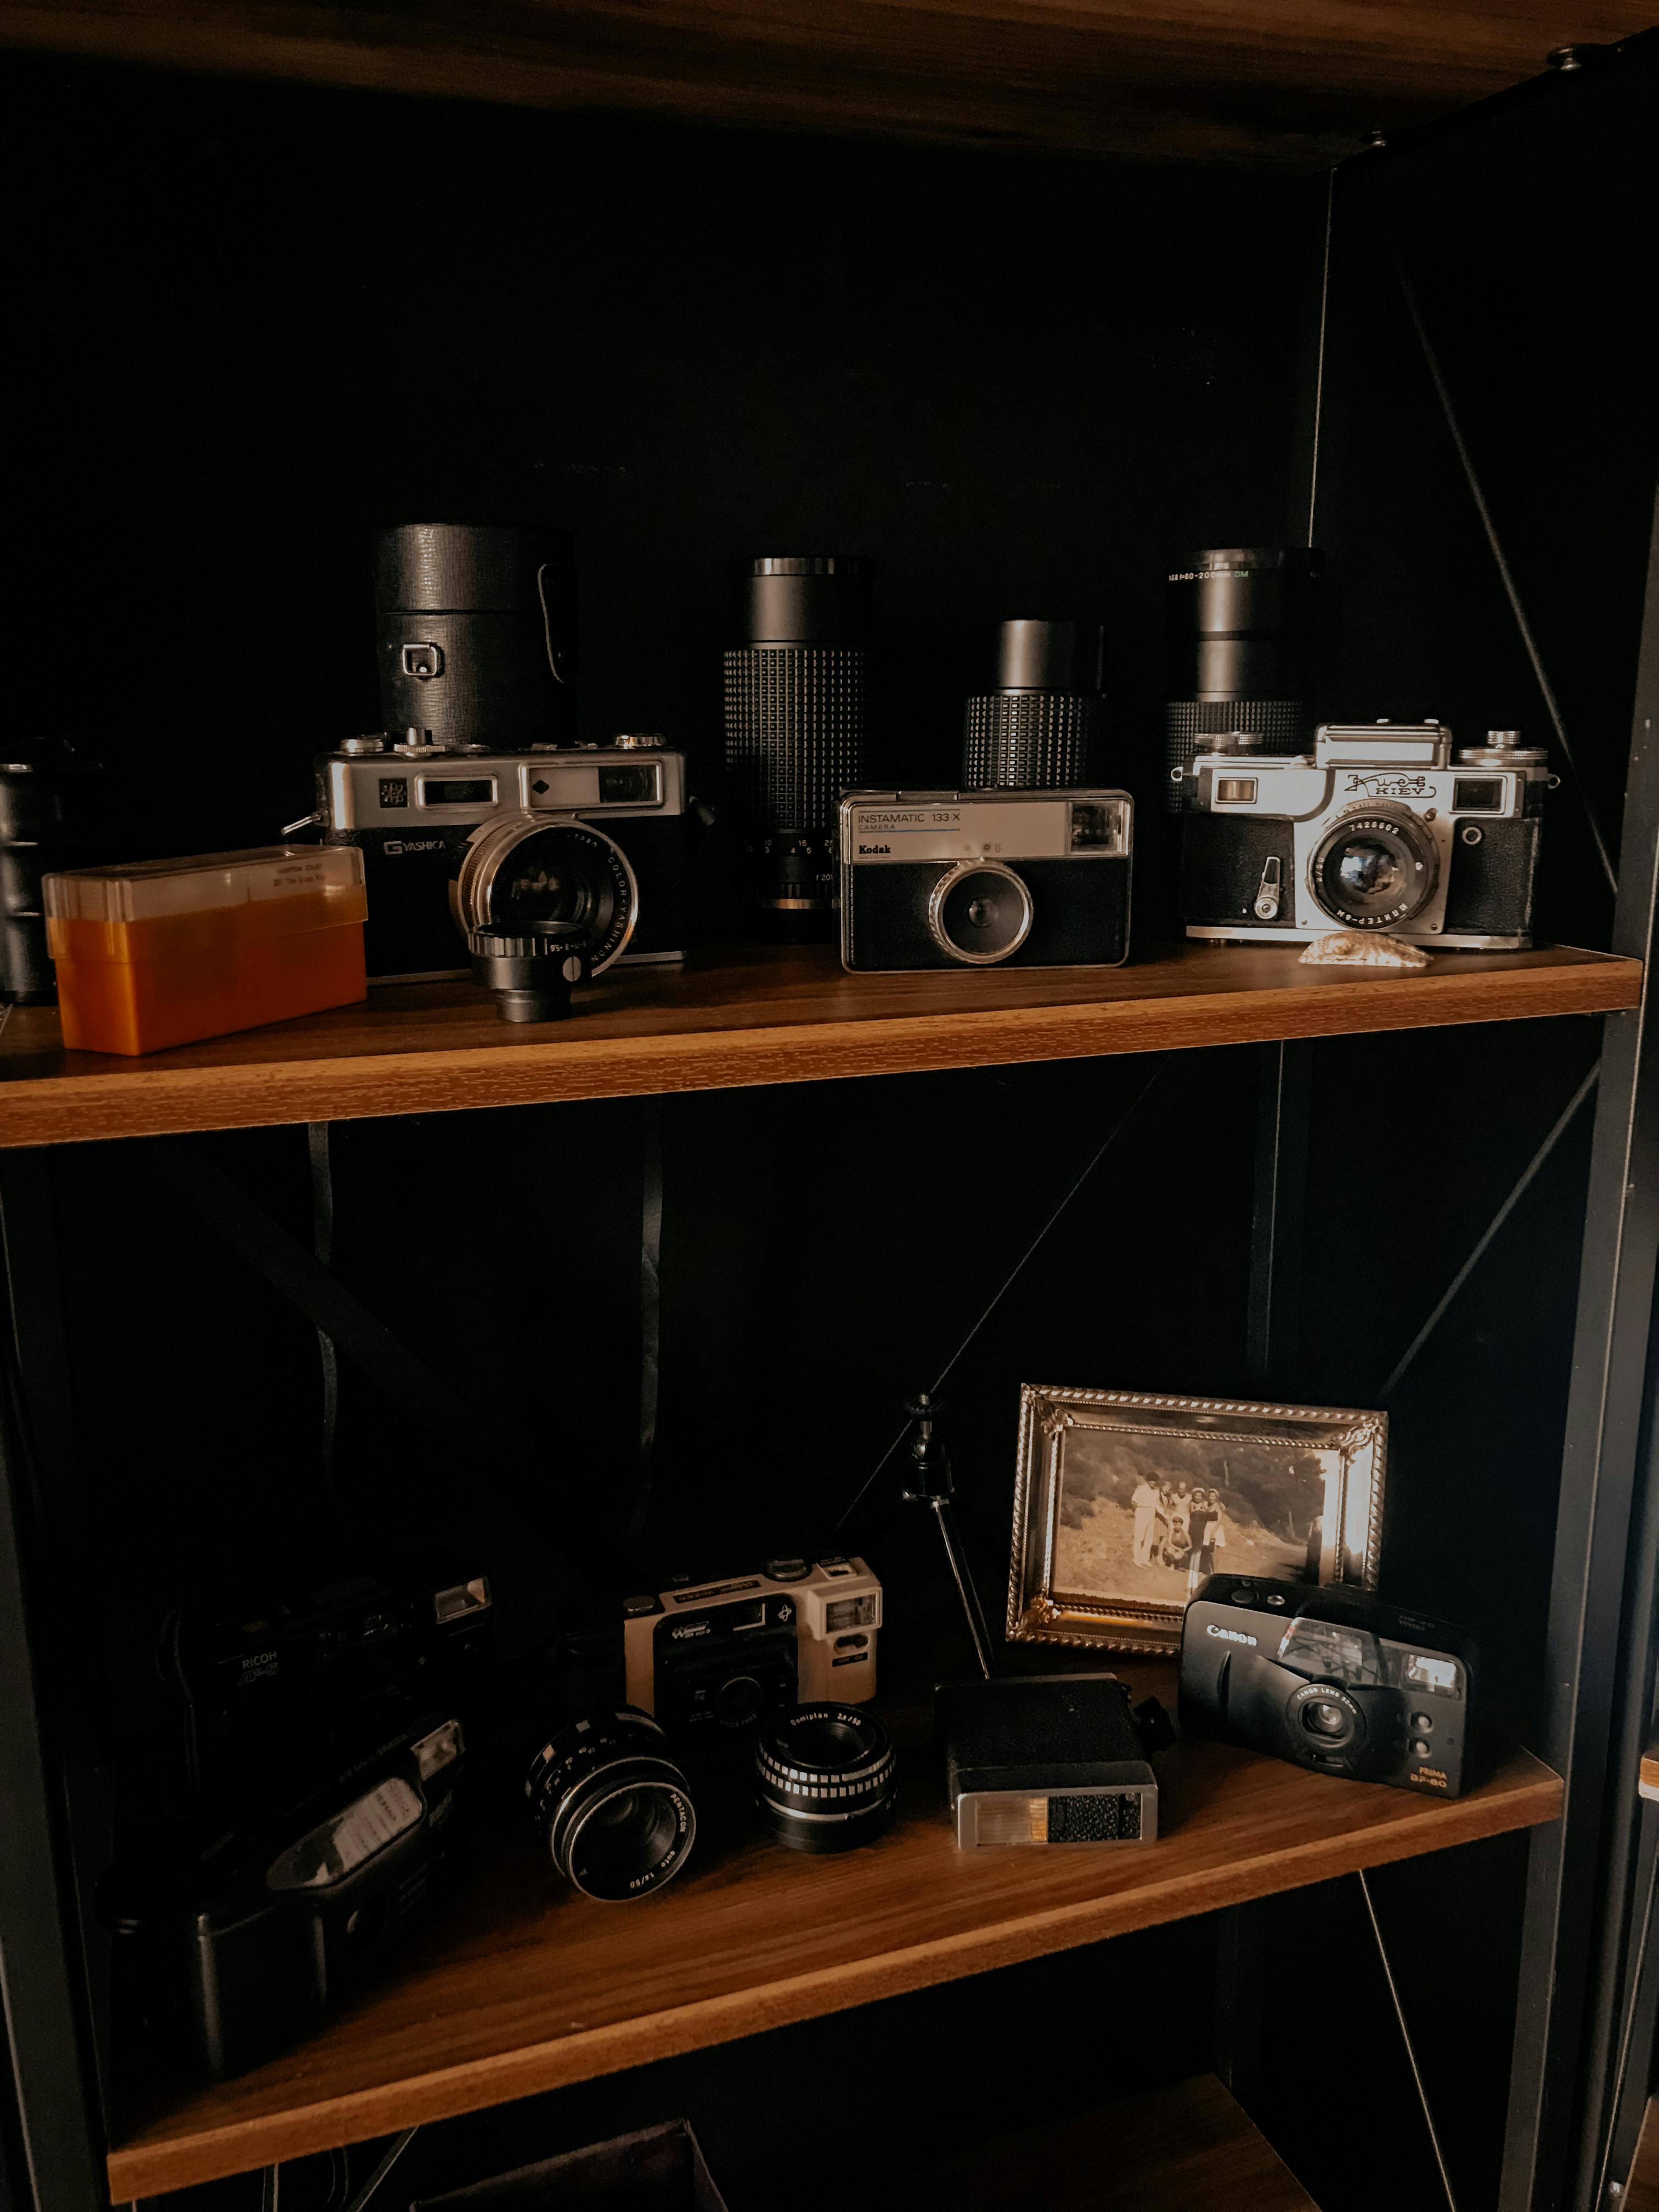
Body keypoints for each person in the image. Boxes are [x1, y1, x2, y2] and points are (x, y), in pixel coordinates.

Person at [1188, 1487, 1227, 1595]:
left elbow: (1219, 1521)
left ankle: (1216, 1572)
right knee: (1209, 1551)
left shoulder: (1219, 1506)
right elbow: (1196, 1503)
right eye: (1210, 1496)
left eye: (1213, 1496)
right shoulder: (1206, 1504)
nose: (1211, 1498)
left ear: (1216, 1497)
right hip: (1207, 1528)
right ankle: (1210, 1572)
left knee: (1215, 1553)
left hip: (1216, 1529)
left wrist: (1214, 1532)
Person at [1131, 1471, 1160, 1566]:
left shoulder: (1157, 1491)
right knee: (1139, 1536)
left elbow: (1156, 1504)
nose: (1153, 1483)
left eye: (1155, 1481)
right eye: (1151, 1480)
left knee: (1149, 1537)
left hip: (1152, 1513)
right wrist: (1139, 1512)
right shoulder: (1141, 1489)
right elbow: (1134, 1501)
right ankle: (1137, 1559)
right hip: (1142, 1511)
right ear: (1148, 1481)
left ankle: (1145, 1559)